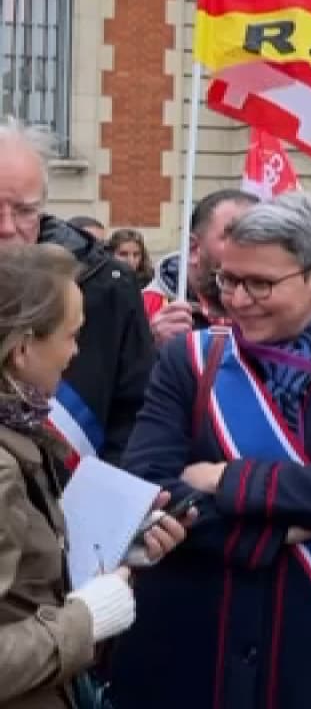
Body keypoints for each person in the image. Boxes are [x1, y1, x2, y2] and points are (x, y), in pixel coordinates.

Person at [112, 193, 311, 709]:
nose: (236, 299)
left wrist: (225, 479)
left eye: (260, 284)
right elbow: (150, 486)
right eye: (229, 279)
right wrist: (282, 531)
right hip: (192, 630)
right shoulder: (189, 360)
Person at [0, 243, 189, 709]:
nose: (77, 352)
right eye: (71, 335)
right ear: (23, 349)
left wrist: (110, 548)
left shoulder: (23, 431)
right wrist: (84, 619)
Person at [0, 121, 154, 465]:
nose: (8, 228)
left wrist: (124, 504)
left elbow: (135, 417)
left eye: (24, 211)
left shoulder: (107, 285)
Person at [145, 188, 259, 343]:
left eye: (259, 236)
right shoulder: (146, 307)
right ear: (193, 248)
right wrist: (150, 345)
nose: (251, 247)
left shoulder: (273, 309)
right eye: (235, 235)